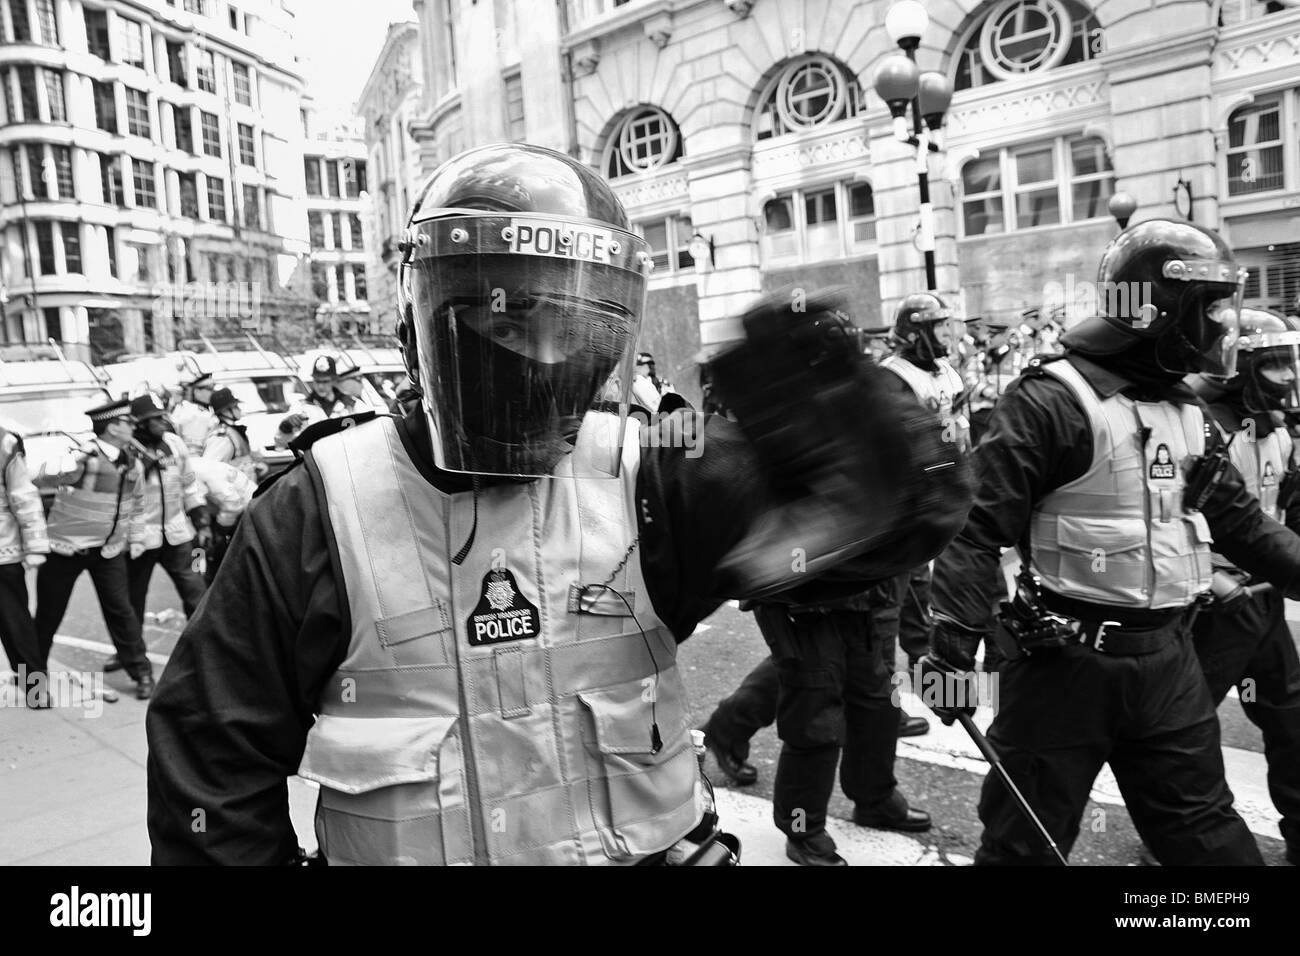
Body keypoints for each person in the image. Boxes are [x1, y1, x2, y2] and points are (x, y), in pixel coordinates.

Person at [146, 142, 972, 866]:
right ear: (425, 327)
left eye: (577, 326)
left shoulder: (652, 475)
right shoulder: (317, 510)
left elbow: (906, 515)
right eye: (509, 322)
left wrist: (854, 428)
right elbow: (213, 761)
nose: (547, 358)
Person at [920, 218, 1300, 866]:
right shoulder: (1050, 402)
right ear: (1161, 310)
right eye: (1209, 307)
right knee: (1023, 850)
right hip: (1062, 671)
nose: (1222, 326)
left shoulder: (1190, 415)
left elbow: (1247, 528)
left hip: (1170, 665)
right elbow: (973, 527)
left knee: (1212, 848)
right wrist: (951, 649)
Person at [1186, 308, 1300, 867]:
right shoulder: (1199, 424)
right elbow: (1160, 520)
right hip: (1212, 610)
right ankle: (1181, 843)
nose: (1286, 376)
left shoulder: (1278, 428)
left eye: (1288, 361)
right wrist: (1210, 577)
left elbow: (1290, 510)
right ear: (1238, 364)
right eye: (1272, 363)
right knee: (1186, 736)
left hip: (1266, 601)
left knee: (1291, 720)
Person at [877, 293, 974, 734]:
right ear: (916, 332)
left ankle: (941, 699)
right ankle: (735, 723)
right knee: (881, 624)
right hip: (897, 521)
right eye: (938, 328)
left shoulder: (948, 374)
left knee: (916, 617)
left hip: (926, 516)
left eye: (947, 326)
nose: (947, 336)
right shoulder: (891, 381)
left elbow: (958, 438)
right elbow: (902, 456)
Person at [32, 399, 153, 700]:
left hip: (108, 551)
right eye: (129, 423)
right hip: (65, 550)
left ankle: (142, 673)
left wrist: (137, 538)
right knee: (48, 615)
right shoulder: (80, 457)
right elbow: (41, 477)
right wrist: (71, 460)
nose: (134, 427)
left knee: (122, 613)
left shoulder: (133, 461)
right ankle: (34, 677)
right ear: (113, 427)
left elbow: (137, 504)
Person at [124, 393, 209, 626]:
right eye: (156, 419)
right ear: (140, 423)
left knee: (196, 590)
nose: (164, 422)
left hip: (179, 535)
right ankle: (130, 654)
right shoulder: (127, 450)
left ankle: (201, 646)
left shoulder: (174, 443)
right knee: (132, 599)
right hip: (139, 541)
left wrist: (202, 521)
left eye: (163, 416)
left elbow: (189, 483)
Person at [0, 422, 50, 704]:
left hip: (2, 551)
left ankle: (35, 687)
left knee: (15, 623)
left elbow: (24, 496)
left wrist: (35, 546)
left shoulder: (3, 442)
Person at [188, 456, 256, 586]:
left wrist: (221, 529)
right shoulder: (190, 468)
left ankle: (212, 584)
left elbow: (232, 504)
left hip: (242, 511)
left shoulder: (200, 472)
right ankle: (203, 583)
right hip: (219, 513)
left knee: (221, 551)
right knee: (202, 548)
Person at [202, 388, 266, 483]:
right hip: (234, 493)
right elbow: (210, 469)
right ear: (225, 411)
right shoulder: (222, 437)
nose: (239, 409)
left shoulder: (232, 432)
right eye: (235, 406)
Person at [170, 373, 219, 455]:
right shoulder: (193, 413)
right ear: (197, 392)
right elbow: (194, 449)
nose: (213, 392)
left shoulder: (197, 410)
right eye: (209, 389)